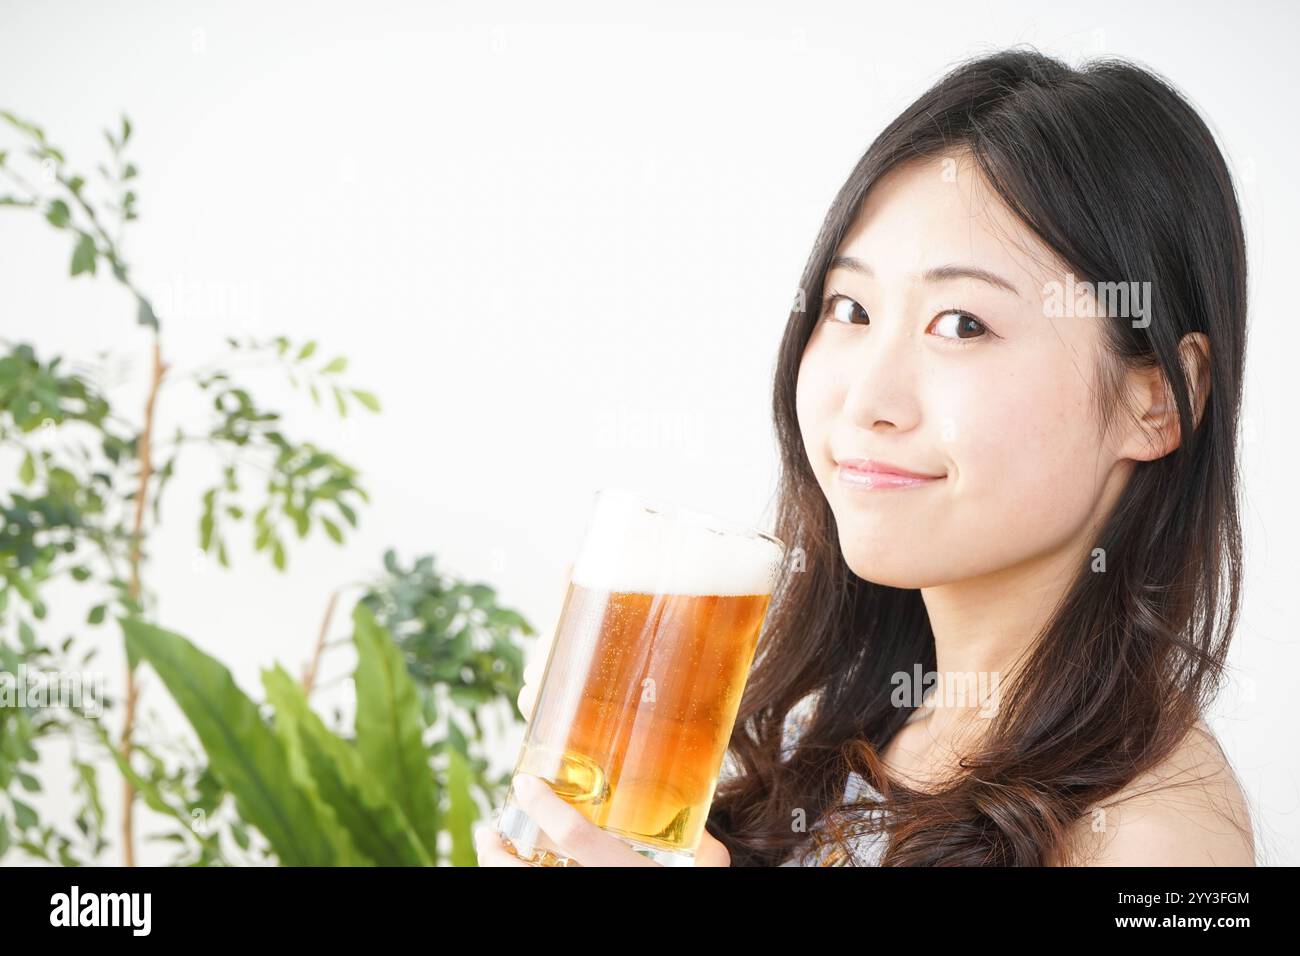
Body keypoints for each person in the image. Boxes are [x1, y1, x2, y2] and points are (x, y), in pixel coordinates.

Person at [476, 46, 1255, 867]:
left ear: (1159, 398)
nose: (866, 399)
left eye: (961, 324)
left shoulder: (1158, 845)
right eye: (850, 308)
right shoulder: (849, 726)